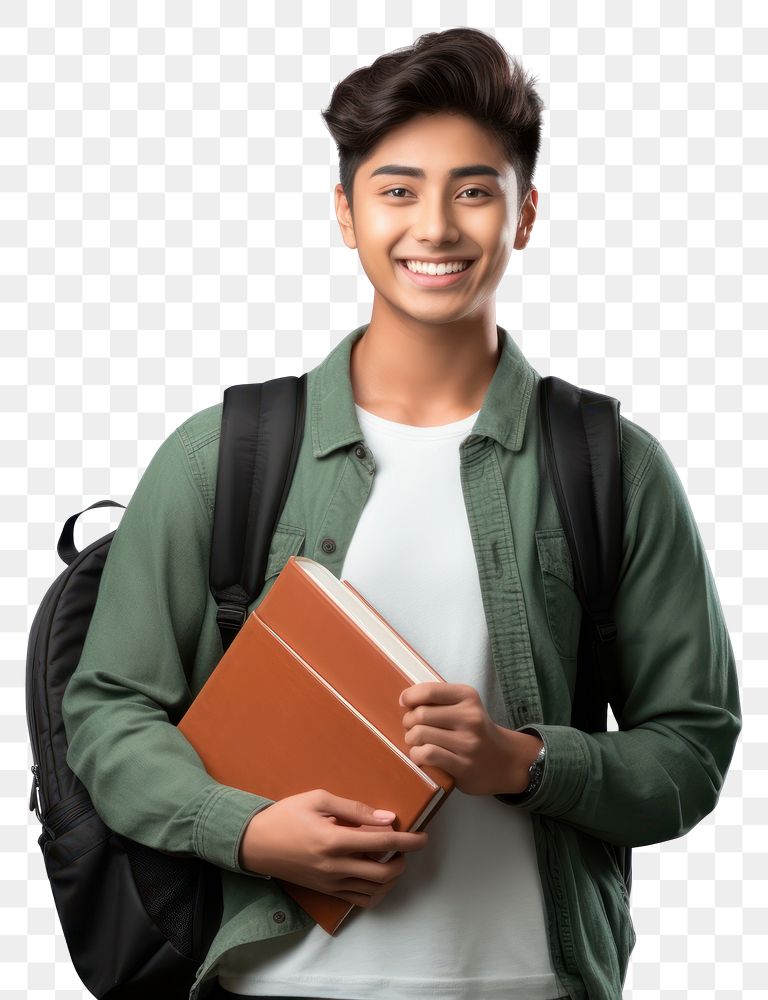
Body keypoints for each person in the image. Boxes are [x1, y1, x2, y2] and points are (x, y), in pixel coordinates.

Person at [62, 26, 742, 1000]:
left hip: (534, 982)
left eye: (473, 191)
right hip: (273, 982)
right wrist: (246, 830)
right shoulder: (224, 455)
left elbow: (692, 746)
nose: (435, 227)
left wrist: (523, 762)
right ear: (346, 213)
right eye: (397, 190)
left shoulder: (611, 466)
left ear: (525, 214)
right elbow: (107, 711)